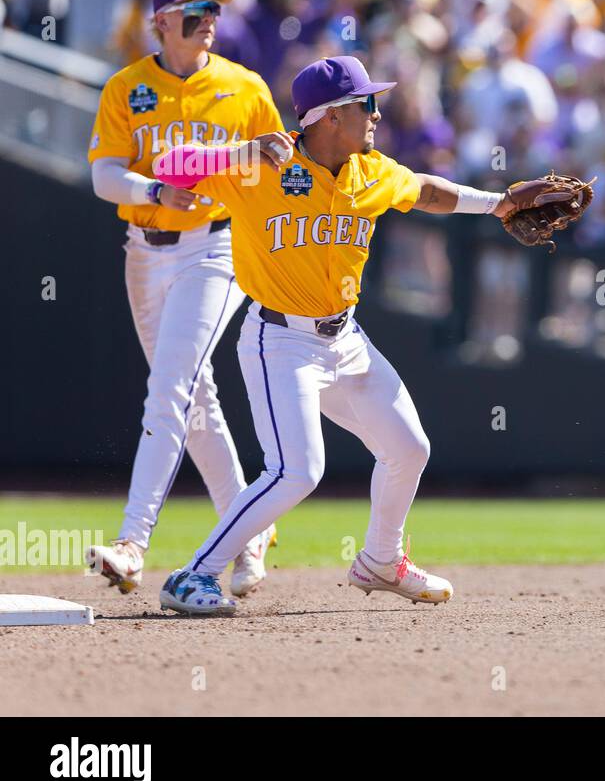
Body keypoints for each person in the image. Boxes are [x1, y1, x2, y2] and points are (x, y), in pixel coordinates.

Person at [146, 56, 558, 615]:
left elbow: (425, 192)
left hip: (346, 340)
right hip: (279, 340)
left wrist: (499, 205)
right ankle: (194, 574)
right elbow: (170, 166)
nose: (377, 112)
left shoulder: (371, 170)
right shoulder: (266, 164)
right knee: (297, 471)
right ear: (330, 116)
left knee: (409, 449)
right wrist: (241, 152)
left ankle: (381, 561)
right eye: (365, 103)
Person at [85, 0, 283, 599]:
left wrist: (265, 160)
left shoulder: (246, 87)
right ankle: (249, 533)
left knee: (170, 388)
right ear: (161, 21)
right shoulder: (127, 86)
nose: (209, 24)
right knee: (195, 402)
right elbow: (104, 176)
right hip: (145, 250)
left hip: (216, 249)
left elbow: (275, 173)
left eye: (214, 12)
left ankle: (132, 544)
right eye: (195, 12)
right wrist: (156, 189)